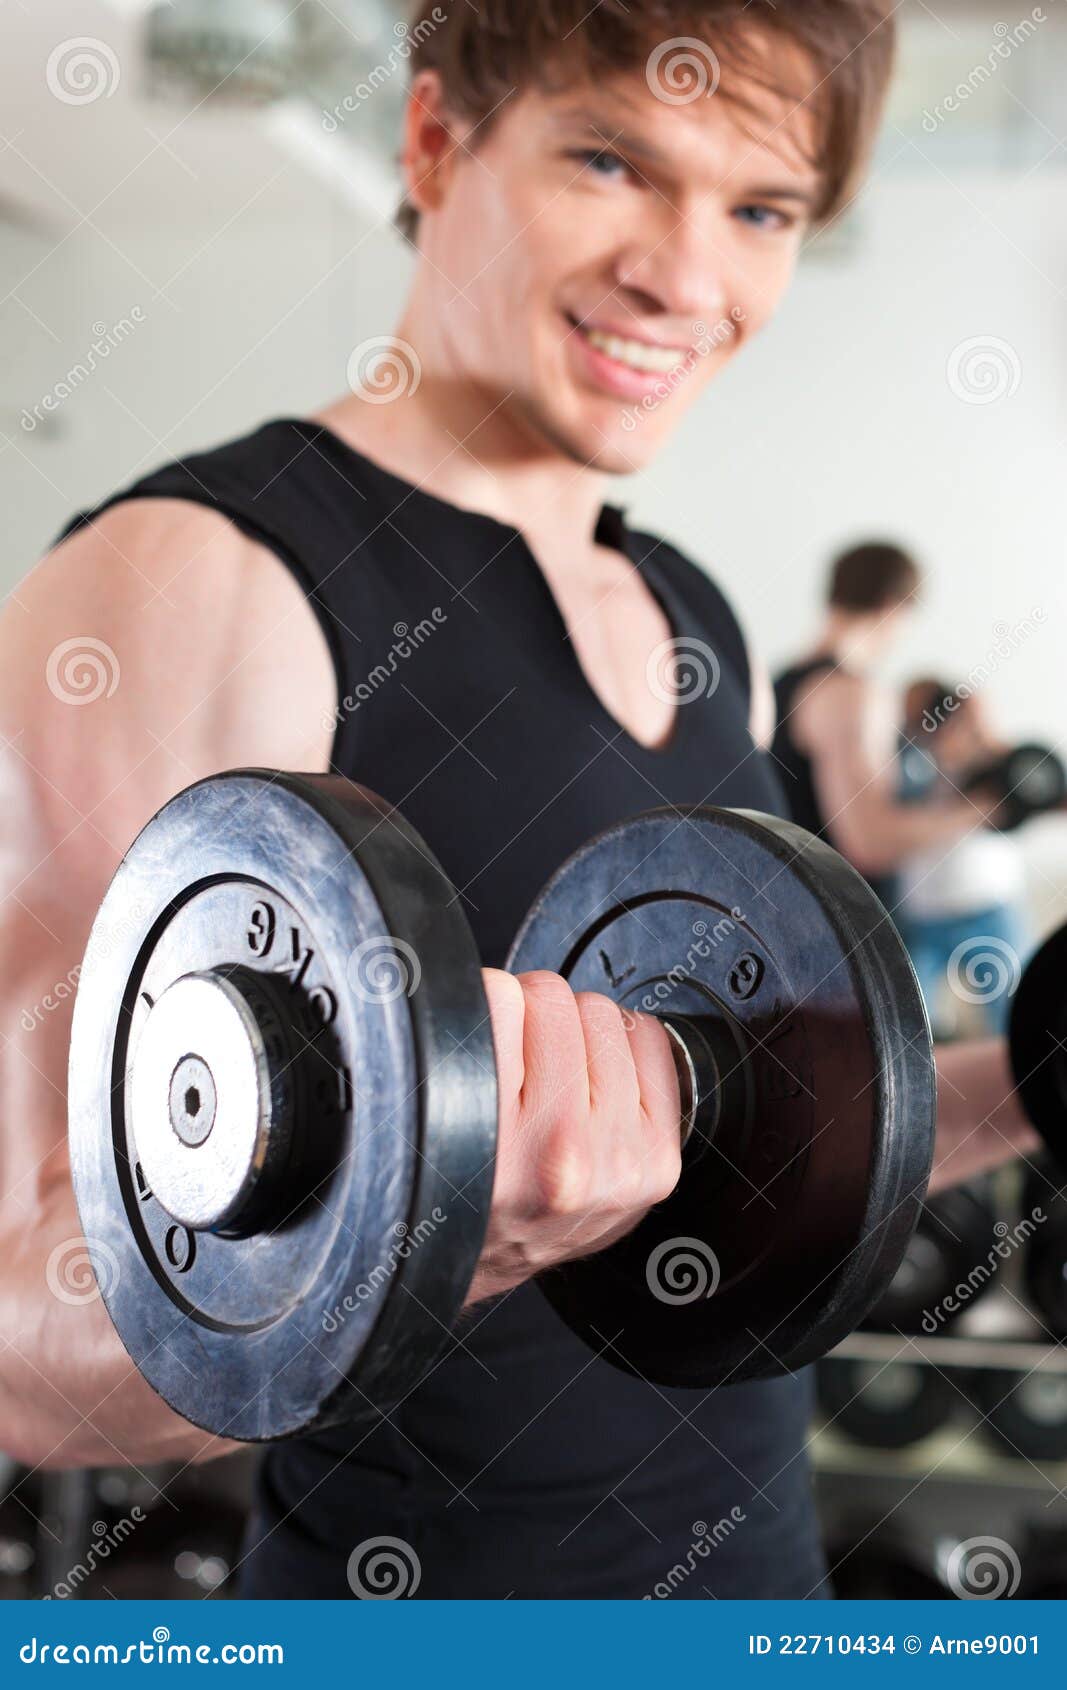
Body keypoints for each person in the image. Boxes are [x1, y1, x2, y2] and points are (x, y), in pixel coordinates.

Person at [0, 0, 1038, 1600]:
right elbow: (21, 1328)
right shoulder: (198, 584)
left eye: (758, 208)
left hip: (764, 1589)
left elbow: (772, 1137)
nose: (687, 279)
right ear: (433, 137)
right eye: (611, 161)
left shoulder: (694, 619)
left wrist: (1030, 1074)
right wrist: (439, 1235)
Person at [771, 542, 994, 919]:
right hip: (840, 931)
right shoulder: (854, 696)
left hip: (790, 914)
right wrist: (983, 811)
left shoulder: (778, 683)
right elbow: (868, 841)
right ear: (894, 605)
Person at [895, 679, 1030, 1039]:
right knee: (907, 1021)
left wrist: (983, 732)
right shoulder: (904, 766)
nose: (930, 725)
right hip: (923, 920)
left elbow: (1049, 793)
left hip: (988, 911)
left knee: (1017, 1017)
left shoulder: (995, 764)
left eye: (937, 710)